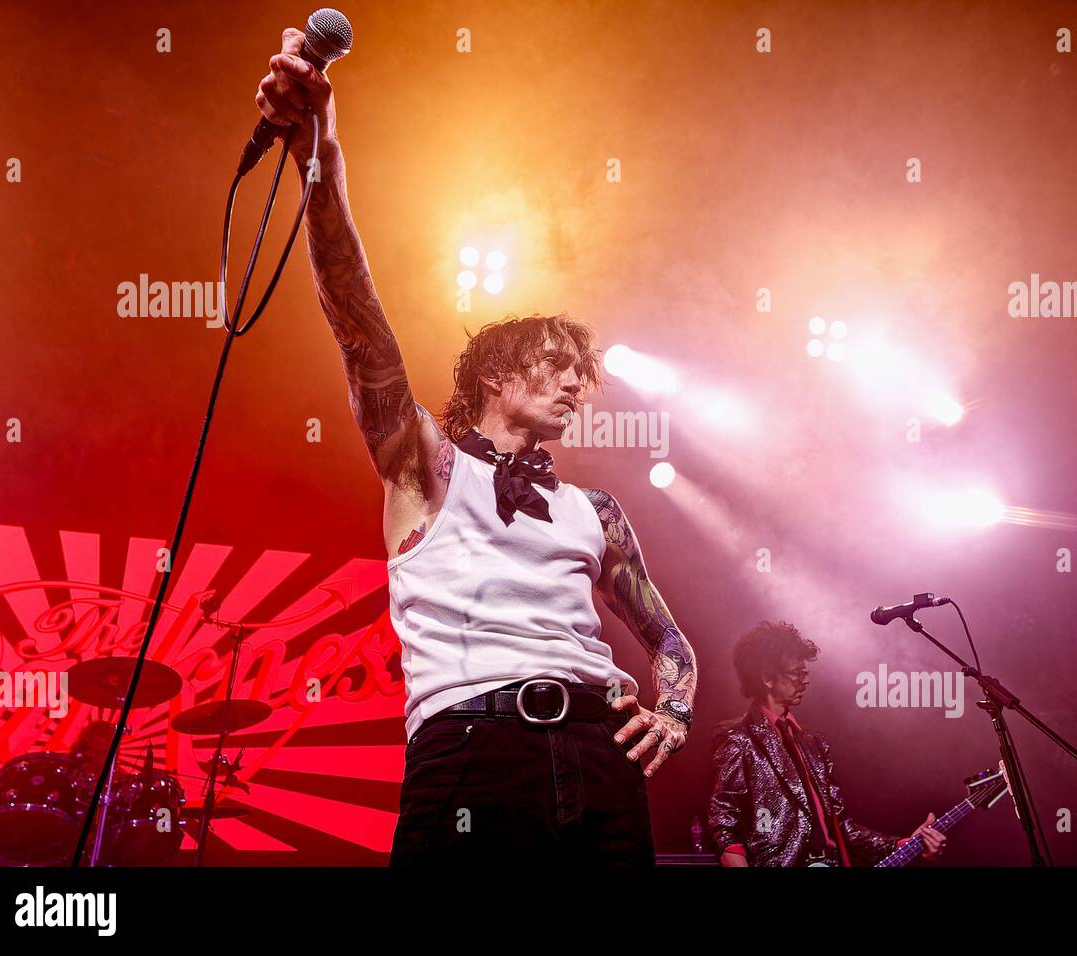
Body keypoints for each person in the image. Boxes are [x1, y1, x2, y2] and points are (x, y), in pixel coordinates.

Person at [254, 27, 697, 865]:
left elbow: (670, 642)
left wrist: (672, 712)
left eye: (583, 376)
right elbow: (357, 317)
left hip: (602, 761)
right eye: (556, 366)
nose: (575, 385)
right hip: (472, 753)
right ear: (494, 375)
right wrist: (323, 151)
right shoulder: (426, 464)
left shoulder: (596, 512)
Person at [708, 620, 945, 867]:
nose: (805, 680)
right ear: (768, 678)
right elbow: (724, 828)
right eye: (797, 673)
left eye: (805, 672)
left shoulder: (812, 743)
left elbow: (841, 826)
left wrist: (901, 845)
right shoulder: (738, 741)